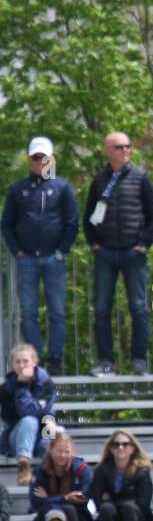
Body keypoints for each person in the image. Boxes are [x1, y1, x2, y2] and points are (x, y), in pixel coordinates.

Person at [84, 131, 153, 377]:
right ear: (107, 151)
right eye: (119, 147)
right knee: (102, 308)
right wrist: (94, 244)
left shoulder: (141, 178)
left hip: (133, 253)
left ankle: (139, 359)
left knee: (138, 308)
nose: (125, 150)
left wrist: (143, 244)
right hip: (105, 253)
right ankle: (106, 361)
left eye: (128, 146)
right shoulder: (99, 180)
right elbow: (88, 217)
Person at [1, 136, 78, 376]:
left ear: (51, 159)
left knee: (57, 312)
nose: (39, 162)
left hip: (53, 259)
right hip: (27, 260)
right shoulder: (18, 189)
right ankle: (35, 359)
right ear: (29, 160)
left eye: (43, 158)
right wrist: (17, 251)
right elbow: (7, 224)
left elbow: (72, 222)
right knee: (29, 313)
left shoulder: (62, 187)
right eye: (35, 158)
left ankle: (56, 358)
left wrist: (62, 250)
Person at [25, 428, 93, 521]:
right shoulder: (40, 470)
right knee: (46, 511)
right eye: (59, 451)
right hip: (47, 515)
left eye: (67, 452)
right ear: (50, 449)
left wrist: (49, 499)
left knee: (69, 510)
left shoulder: (81, 469)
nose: (63, 455)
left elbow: (84, 496)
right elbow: (35, 502)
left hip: (78, 519)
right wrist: (65, 498)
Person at [1, 343, 56, 485]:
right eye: (17, 362)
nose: (22, 365)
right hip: (17, 438)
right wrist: (21, 385)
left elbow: (47, 414)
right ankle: (23, 465)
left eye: (25, 361)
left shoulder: (47, 385)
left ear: (34, 362)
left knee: (52, 424)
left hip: (43, 430)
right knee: (29, 421)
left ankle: (49, 475)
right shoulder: (6, 389)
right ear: (12, 364)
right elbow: (24, 414)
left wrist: (45, 443)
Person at [89, 429, 153, 521]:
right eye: (116, 444)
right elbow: (97, 498)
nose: (120, 447)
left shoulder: (142, 471)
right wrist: (127, 498)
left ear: (133, 448)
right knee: (106, 508)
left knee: (128, 507)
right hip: (110, 513)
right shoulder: (102, 469)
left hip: (135, 517)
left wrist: (113, 499)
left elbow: (143, 503)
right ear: (110, 448)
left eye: (125, 444)